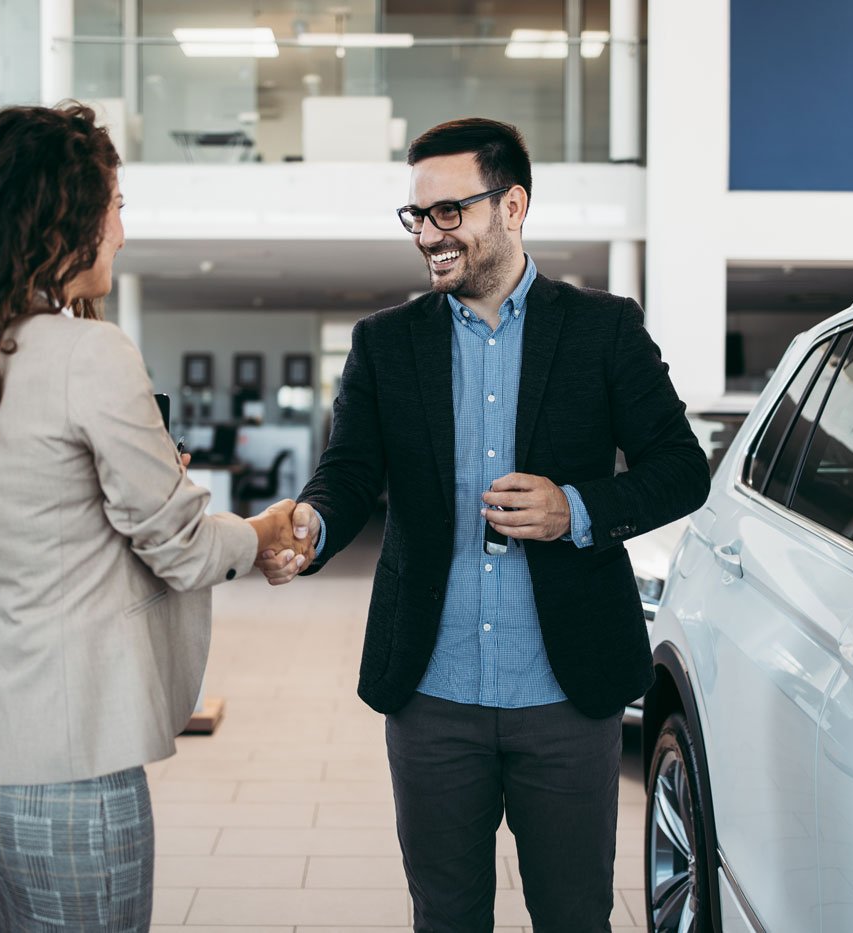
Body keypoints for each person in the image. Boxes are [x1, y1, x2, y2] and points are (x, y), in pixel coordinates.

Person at [259, 118, 710, 931]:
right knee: (446, 919)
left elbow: (681, 468)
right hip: (432, 693)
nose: (429, 234)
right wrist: (312, 521)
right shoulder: (386, 344)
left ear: (513, 205)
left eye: (448, 212)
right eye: (417, 216)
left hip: (568, 697)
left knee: (575, 917)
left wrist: (575, 507)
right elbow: (350, 472)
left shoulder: (603, 328)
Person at [0, 103, 302, 932]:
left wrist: (121, 508)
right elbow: (180, 548)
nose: (121, 231)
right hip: (72, 772)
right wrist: (261, 533)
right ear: (63, 216)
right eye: (114, 205)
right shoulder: (89, 353)